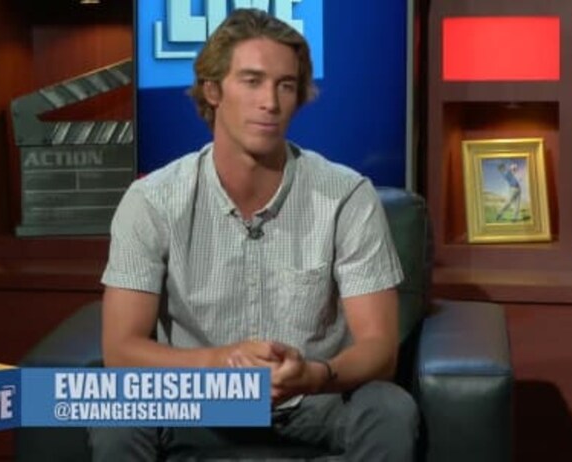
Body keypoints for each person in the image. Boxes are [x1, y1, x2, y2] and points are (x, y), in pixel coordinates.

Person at [90, 8, 418, 461]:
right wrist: (220, 363)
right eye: (252, 81)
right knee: (115, 409)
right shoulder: (152, 201)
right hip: (195, 404)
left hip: (314, 402)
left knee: (389, 407)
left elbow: (379, 350)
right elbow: (121, 350)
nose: (271, 102)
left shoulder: (346, 196)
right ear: (213, 90)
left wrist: (314, 374)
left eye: (285, 85)